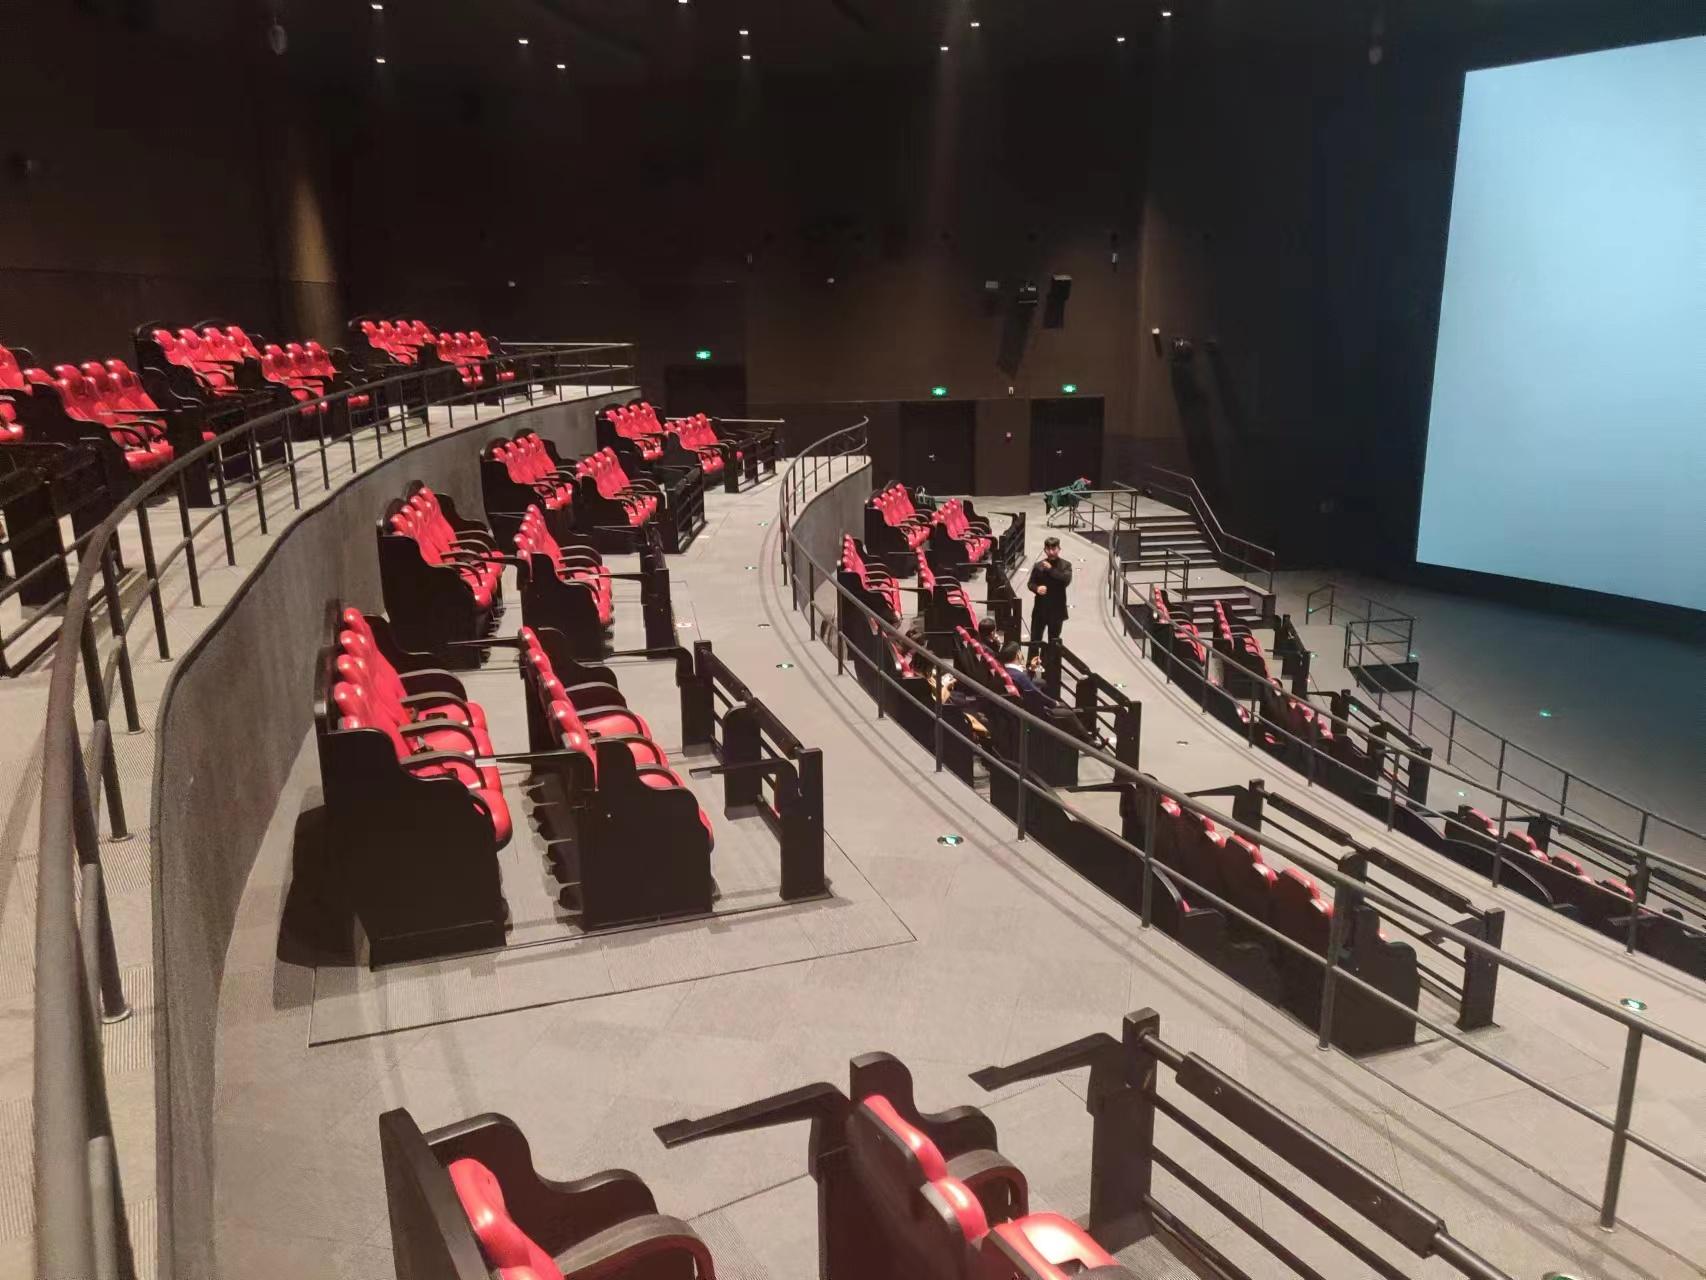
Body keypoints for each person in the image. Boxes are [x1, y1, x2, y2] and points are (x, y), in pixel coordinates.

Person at [1026, 535, 1072, 659]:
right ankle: (1031, 665)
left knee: (1054, 641)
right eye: (1048, 549)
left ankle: (1051, 667)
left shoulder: (1066, 565)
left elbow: (1065, 580)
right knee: (1035, 640)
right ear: (1045, 550)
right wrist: (1037, 589)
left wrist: (1051, 569)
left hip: (1057, 610)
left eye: (1054, 549)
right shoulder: (1038, 566)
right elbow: (1030, 583)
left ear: (1059, 549)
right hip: (1040, 610)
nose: (1051, 552)